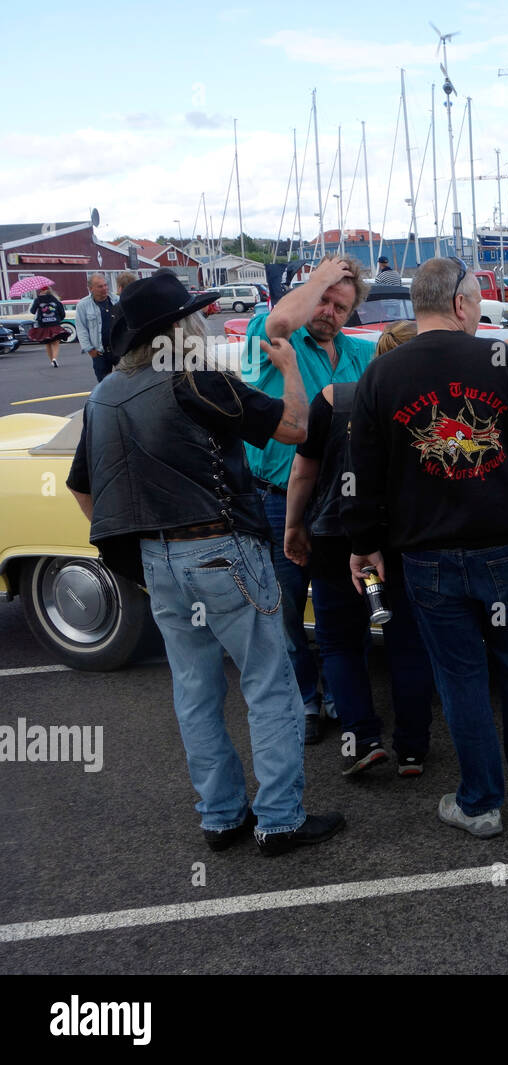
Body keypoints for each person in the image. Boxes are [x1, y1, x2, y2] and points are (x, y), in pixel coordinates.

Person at [65, 272, 344, 856]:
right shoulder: (198, 378)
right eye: (198, 317)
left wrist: (137, 548)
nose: (206, 325)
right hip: (222, 549)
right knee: (269, 686)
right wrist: (291, 368)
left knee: (195, 691)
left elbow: (84, 489)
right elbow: (295, 429)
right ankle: (279, 819)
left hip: (158, 558)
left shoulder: (105, 394)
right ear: (180, 327)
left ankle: (220, 816)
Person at [343, 258, 508, 839]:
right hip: (506, 546)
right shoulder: (501, 361)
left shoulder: (382, 374)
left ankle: (480, 804)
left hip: (427, 554)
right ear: (464, 304)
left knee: (461, 679)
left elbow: (361, 474)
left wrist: (364, 543)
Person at [284, 319, 436, 778]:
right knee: (408, 643)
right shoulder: (430, 405)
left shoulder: (335, 398)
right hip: (404, 539)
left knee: (340, 644)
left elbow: (303, 473)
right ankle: (412, 749)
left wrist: (294, 525)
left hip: (336, 536)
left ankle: (362, 739)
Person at [243, 255, 375, 745]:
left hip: (343, 506)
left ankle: (343, 692)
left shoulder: (362, 355)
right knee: (285, 605)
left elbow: (413, 358)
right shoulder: (273, 339)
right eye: (323, 300)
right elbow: (280, 318)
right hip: (280, 499)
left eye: (341, 306)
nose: (329, 312)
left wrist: (496, 351)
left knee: (350, 604)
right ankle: (305, 697)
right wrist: (320, 278)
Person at [74, 273, 117, 381]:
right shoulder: (83, 305)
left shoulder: (117, 300)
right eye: (100, 286)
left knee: (126, 382)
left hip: (119, 350)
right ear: (90, 288)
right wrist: (89, 349)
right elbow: (81, 328)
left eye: (105, 285)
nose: (104, 288)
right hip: (99, 352)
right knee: (104, 385)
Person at [27, 284, 66, 368]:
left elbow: (32, 311)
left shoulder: (38, 300)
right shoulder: (55, 299)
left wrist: (37, 305)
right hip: (55, 324)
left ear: (41, 291)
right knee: (55, 343)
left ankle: (52, 360)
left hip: (43, 325)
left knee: (48, 343)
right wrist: (59, 319)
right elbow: (62, 313)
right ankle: (55, 359)